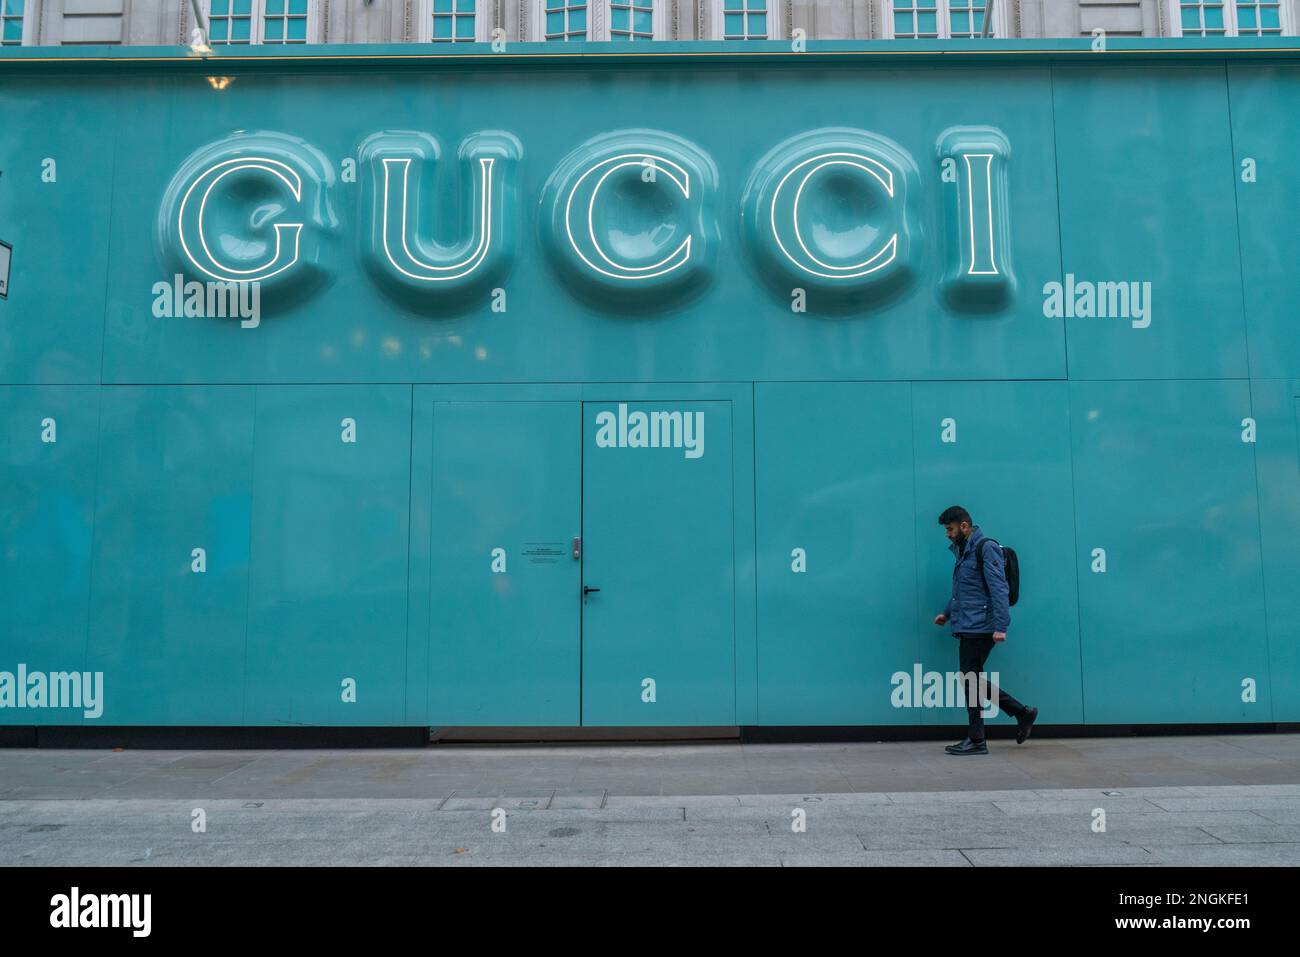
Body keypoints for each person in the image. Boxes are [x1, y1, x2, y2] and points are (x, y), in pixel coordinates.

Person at [932, 506, 1037, 755]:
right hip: (968, 623)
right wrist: (946, 613)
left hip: (981, 626)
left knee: (969, 679)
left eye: (950, 529)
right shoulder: (963, 551)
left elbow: (998, 588)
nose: (947, 534)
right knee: (971, 678)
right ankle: (1021, 713)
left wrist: (1001, 626)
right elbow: (964, 590)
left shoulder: (985, 548)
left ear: (965, 526)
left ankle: (978, 738)